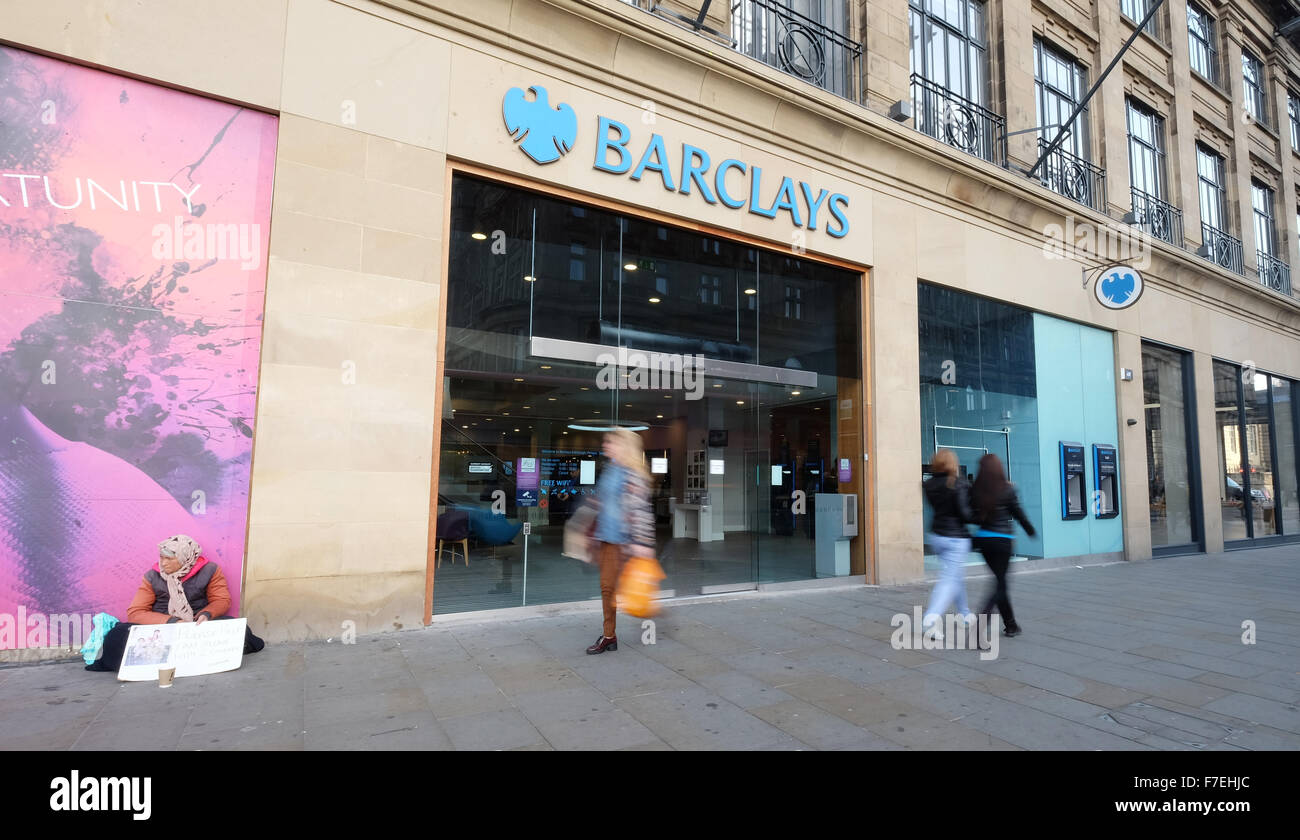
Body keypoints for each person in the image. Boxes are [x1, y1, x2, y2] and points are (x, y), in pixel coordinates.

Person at [85, 534, 264, 671]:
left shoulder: (210, 570)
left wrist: (206, 614)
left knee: (237, 628)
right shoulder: (152, 576)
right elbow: (136, 612)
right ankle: (188, 658)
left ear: (185, 557)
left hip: (196, 625)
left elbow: (221, 600)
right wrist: (172, 622)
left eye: (169, 558)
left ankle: (183, 657)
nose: (163, 563)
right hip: (162, 628)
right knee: (116, 636)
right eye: (161, 557)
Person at [581, 428, 655, 655]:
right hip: (606, 537)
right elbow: (603, 501)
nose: (606, 445)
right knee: (608, 589)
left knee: (619, 589)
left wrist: (643, 543)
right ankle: (609, 635)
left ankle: (621, 629)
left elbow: (641, 510)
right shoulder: (611, 469)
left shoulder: (632, 474)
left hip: (623, 541)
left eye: (611, 442)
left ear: (623, 446)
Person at [970, 454, 1035, 639]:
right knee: (1000, 584)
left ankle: (1011, 625)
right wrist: (1029, 529)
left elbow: (972, 516)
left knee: (1000, 582)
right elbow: (1018, 512)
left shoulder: (976, 490)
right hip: (1002, 541)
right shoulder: (1007, 489)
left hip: (984, 541)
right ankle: (980, 626)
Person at [921, 449, 974, 640]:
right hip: (955, 538)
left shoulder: (928, 485)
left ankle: (965, 614)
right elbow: (965, 514)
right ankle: (930, 618)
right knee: (949, 578)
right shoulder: (957, 484)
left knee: (955, 575)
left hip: (936, 536)